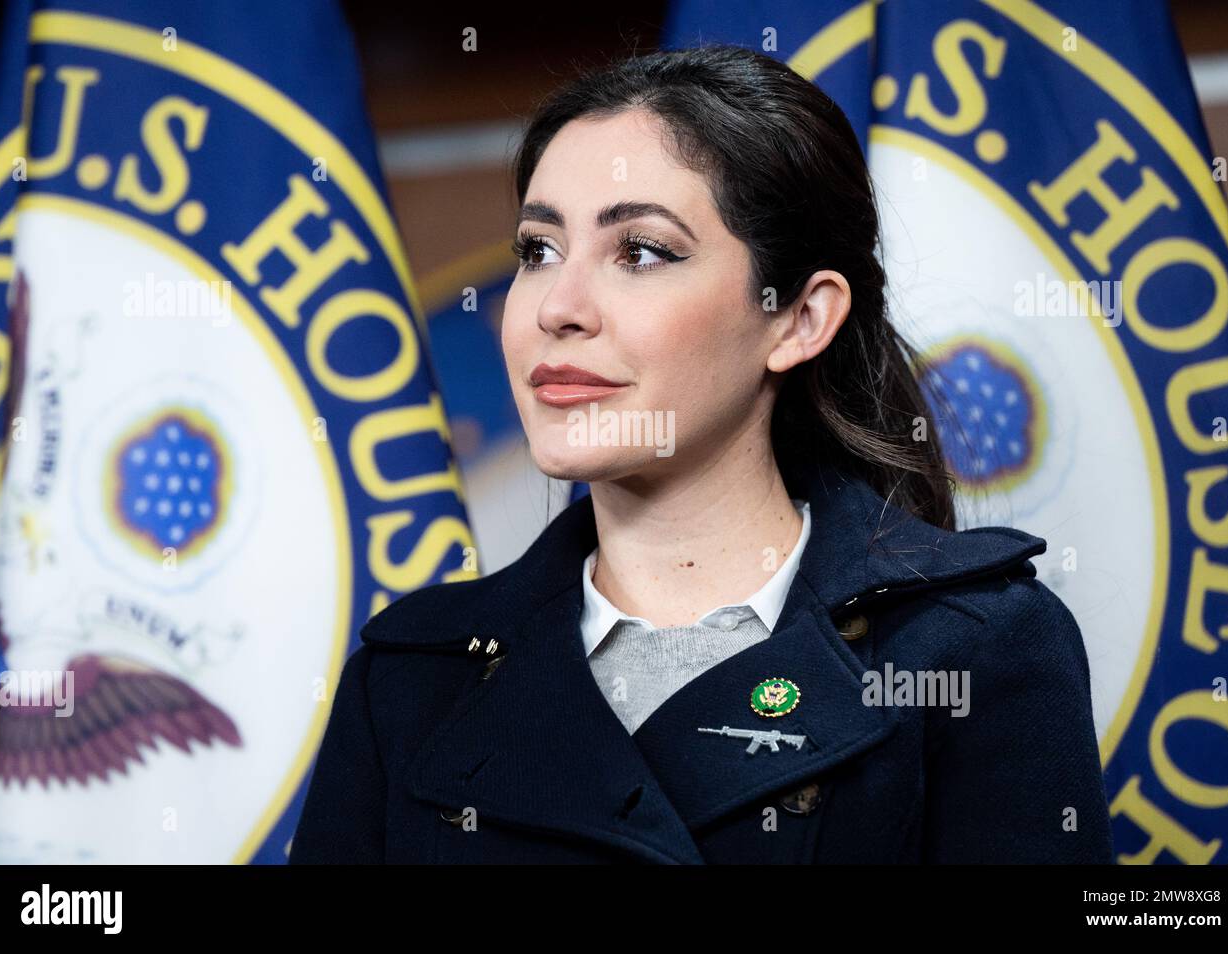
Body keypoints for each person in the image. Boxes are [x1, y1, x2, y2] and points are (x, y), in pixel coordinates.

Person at [289, 44, 1114, 864]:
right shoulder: (408, 679)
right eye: (539, 251)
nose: (557, 308)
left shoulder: (970, 647)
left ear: (800, 320)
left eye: (640, 252)